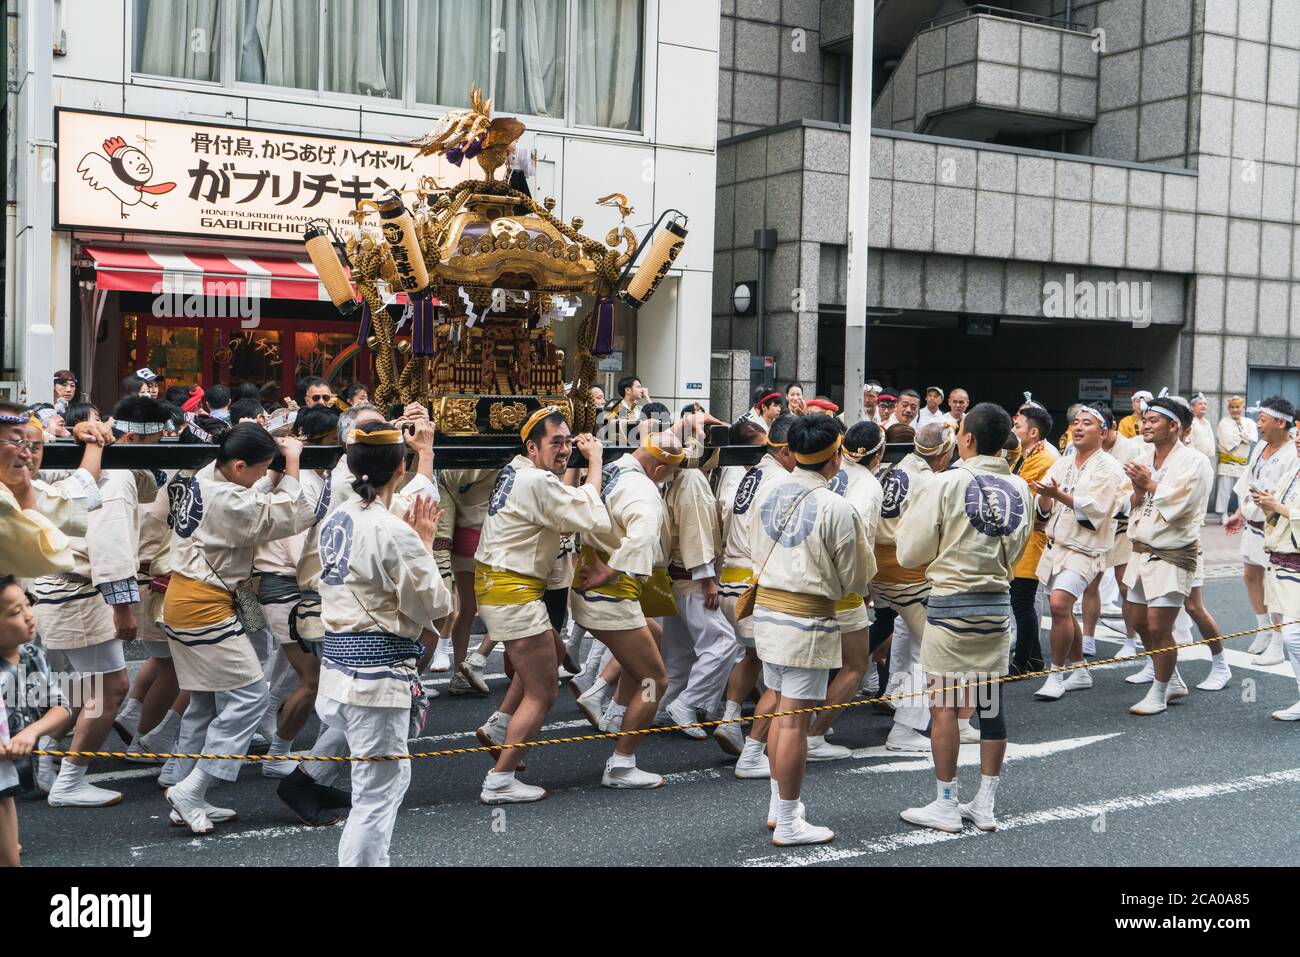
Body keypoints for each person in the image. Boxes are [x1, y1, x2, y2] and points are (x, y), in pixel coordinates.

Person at [161, 423, 317, 834]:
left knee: (205, 704)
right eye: (261, 469)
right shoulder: (226, 498)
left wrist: (272, 472)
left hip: (189, 597)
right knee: (250, 697)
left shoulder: (205, 476)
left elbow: (253, 498)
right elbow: (289, 515)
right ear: (239, 464)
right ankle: (192, 790)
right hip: (204, 605)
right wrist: (294, 463)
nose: (265, 476)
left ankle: (183, 790)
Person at [314, 421, 451, 865]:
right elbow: (438, 611)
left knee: (373, 788)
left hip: (339, 670)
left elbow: (401, 508)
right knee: (376, 795)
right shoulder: (395, 531)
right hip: (375, 682)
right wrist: (426, 545)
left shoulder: (338, 515)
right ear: (400, 466)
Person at [896, 403, 1032, 833]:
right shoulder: (1021, 488)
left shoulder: (946, 482)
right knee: (989, 706)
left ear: (967, 438)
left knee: (944, 709)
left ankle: (946, 802)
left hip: (950, 611)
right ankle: (985, 803)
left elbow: (910, 553)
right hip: (996, 609)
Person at [32, 397, 170, 808]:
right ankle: (69, 779)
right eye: (158, 442)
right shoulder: (119, 473)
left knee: (82, 688)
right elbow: (110, 540)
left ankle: (46, 759)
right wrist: (122, 605)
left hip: (60, 586)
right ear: (130, 438)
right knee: (111, 687)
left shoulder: (108, 460)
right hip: (83, 591)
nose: (164, 449)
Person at [472, 408, 608, 803]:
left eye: (568, 442)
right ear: (532, 448)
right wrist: (595, 460)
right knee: (543, 691)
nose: (565, 450)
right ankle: (500, 780)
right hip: (512, 590)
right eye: (556, 443)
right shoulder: (535, 480)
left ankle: (500, 728)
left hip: (504, 585)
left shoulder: (516, 471)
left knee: (548, 656)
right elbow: (587, 510)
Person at [748, 414, 871, 846]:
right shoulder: (838, 507)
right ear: (835, 455)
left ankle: (778, 807)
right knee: (795, 721)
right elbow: (856, 578)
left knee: (783, 710)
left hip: (767, 614)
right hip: (807, 620)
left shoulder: (766, 490)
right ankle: (788, 819)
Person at [571, 431, 682, 789]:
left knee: (652, 637)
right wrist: (613, 569)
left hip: (591, 582)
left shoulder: (617, 468)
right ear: (661, 468)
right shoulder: (644, 493)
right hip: (610, 592)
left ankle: (616, 711)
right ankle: (622, 762)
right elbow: (644, 536)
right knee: (656, 680)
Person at [1122, 392, 1213, 716]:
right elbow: (1124, 503)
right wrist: (1136, 490)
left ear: (1173, 426)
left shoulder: (1195, 461)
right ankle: (1170, 678)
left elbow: (1183, 506)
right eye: (1144, 420)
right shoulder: (1144, 456)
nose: (1145, 425)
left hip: (1173, 551)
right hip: (1141, 548)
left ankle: (1159, 691)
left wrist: (1149, 485)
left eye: (1152, 420)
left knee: (1159, 626)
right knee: (1136, 621)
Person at [714, 415, 795, 774]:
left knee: (752, 658)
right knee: (780, 672)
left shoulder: (753, 474)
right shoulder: (780, 481)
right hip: (755, 585)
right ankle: (752, 752)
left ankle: (731, 719)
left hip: (732, 580)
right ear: (786, 449)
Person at [872, 422, 958, 751]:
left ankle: (896, 692)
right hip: (909, 577)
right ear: (943, 454)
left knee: (907, 635)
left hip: (879, 574)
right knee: (932, 649)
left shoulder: (895, 468)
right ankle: (905, 729)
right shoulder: (932, 482)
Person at [1030, 404, 1124, 701]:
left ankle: (1056, 674)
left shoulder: (1109, 467)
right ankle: (1080, 669)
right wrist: (1046, 500)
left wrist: (1058, 495)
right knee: (1064, 609)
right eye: (1076, 423)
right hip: (1057, 544)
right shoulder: (1064, 461)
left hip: (1085, 549)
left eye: (1087, 423)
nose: (1079, 427)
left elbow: (1095, 511)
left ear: (1104, 432)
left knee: (1059, 604)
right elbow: (1045, 503)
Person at [805, 419, 883, 759]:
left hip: (806, 577)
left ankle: (791, 730)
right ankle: (814, 733)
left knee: (812, 664)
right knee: (855, 664)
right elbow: (859, 541)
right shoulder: (869, 486)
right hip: (843, 584)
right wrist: (863, 586)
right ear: (878, 455)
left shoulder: (830, 471)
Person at [659, 430, 740, 739]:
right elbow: (697, 532)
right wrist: (707, 579)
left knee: (679, 655)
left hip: (676, 577)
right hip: (693, 578)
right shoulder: (692, 479)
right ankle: (687, 704)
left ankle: (662, 705)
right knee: (723, 644)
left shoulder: (676, 479)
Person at [1, 577, 75, 865]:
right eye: (15, 612)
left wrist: (30, 733)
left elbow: (60, 707)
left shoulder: (31, 655)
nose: (30, 615)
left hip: (5, 780)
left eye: (27, 604)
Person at [1224, 397, 1297, 665]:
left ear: (1280, 422)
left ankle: (1278, 642)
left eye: (1263, 420)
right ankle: (1263, 629)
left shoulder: (1292, 453)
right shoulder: (1260, 447)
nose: (1259, 425)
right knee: (1250, 575)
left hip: (1275, 526)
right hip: (1253, 526)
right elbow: (1248, 480)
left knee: (1274, 585)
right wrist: (1239, 513)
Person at [1252, 425, 1300, 720]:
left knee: (1294, 635)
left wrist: (1278, 507)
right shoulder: (1294, 470)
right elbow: (1278, 508)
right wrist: (1266, 504)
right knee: (1293, 634)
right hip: (1284, 561)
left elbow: (1286, 509)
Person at [1008, 395, 1058, 674]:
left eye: (1018, 426)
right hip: (1023, 537)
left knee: (1023, 602)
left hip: (1034, 537)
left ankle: (1022, 664)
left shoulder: (1046, 458)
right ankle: (1035, 658)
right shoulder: (1027, 455)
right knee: (1020, 600)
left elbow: (1023, 495)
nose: (1014, 431)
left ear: (1033, 432)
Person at [1215, 396, 1255, 519]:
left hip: (1242, 463)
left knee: (1243, 490)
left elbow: (1252, 438)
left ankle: (1243, 513)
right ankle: (1223, 514)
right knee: (1224, 490)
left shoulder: (1249, 422)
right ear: (1229, 409)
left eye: (1238, 407)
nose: (1235, 410)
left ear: (1243, 408)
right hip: (1228, 461)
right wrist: (1242, 437)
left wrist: (1241, 437)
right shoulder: (1224, 422)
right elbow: (1227, 441)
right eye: (1232, 407)